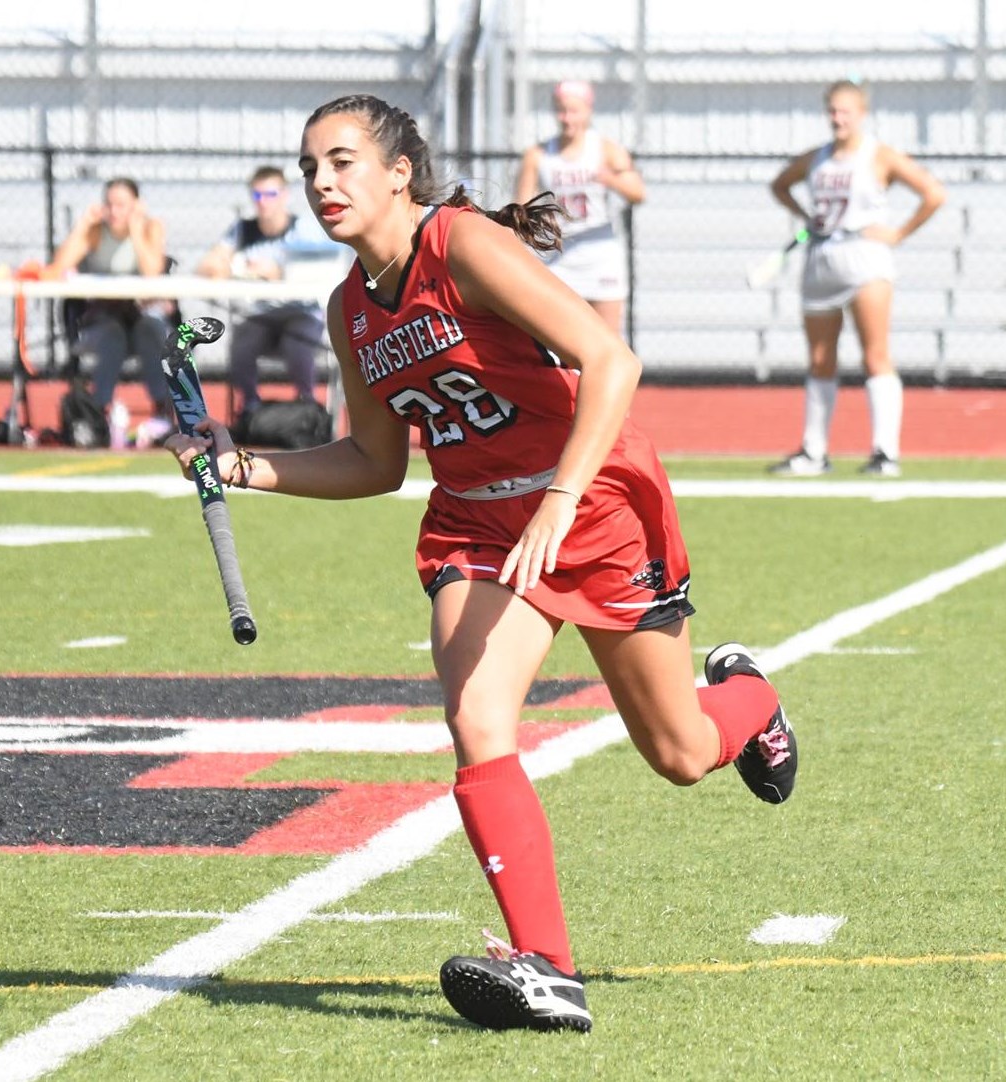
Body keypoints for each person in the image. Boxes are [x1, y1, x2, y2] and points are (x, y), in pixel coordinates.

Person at [167, 94, 797, 1034]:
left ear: (397, 173)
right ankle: (548, 968)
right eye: (308, 169)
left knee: (680, 752)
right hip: (474, 525)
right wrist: (241, 466)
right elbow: (375, 463)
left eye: (340, 162)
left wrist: (559, 500)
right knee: (475, 718)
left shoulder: (462, 244)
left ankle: (748, 699)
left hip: (594, 507)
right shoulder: (351, 307)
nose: (321, 183)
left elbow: (610, 362)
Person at [766, 78, 945, 477]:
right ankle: (814, 451)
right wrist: (804, 217)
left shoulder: (878, 155)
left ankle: (885, 452)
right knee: (819, 358)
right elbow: (779, 185)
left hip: (864, 258)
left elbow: (933, 193)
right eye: (832, 110)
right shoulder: (817, 158)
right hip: (821, 257)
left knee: (875, 353)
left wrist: (898, 233)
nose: (837, 118)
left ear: (861, 114)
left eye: (845, 110)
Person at [194, 165, 329, 422]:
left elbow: (321, 271)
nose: (264, 203)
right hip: (261, 315)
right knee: (243, 342)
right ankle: (250, 408)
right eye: (258, 196)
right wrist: (230, 266)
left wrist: (279, 272)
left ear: (285, 195)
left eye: (271, 195)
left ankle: (308, 407)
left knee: (298, 343)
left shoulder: (304, 229)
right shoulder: (243, 230)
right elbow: (207, 266)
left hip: (300, 312)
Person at [47, 176, 174, 444]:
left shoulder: (151, 228)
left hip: (142, 316)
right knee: (113, 335)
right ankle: (99, 410)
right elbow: (57, 269)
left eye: (122, 205)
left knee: (150, 330)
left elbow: (154, 273)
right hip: (103, 320)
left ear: (136, 206)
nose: (115, 211)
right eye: (110, 204)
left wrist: (137, 231)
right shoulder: (94, 231)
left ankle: (163, 411)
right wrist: (82, 226)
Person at [513, 80, 646, 336]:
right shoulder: (539, 155)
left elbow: (637, 192)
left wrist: (612, 179)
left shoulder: (605, 149)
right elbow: (520, 207)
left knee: (608, 341)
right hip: (558, 255)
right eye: (561, 110)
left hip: (599, 255)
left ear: (588, 111)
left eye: (574, 111)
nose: (567, 118)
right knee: (556, 340)